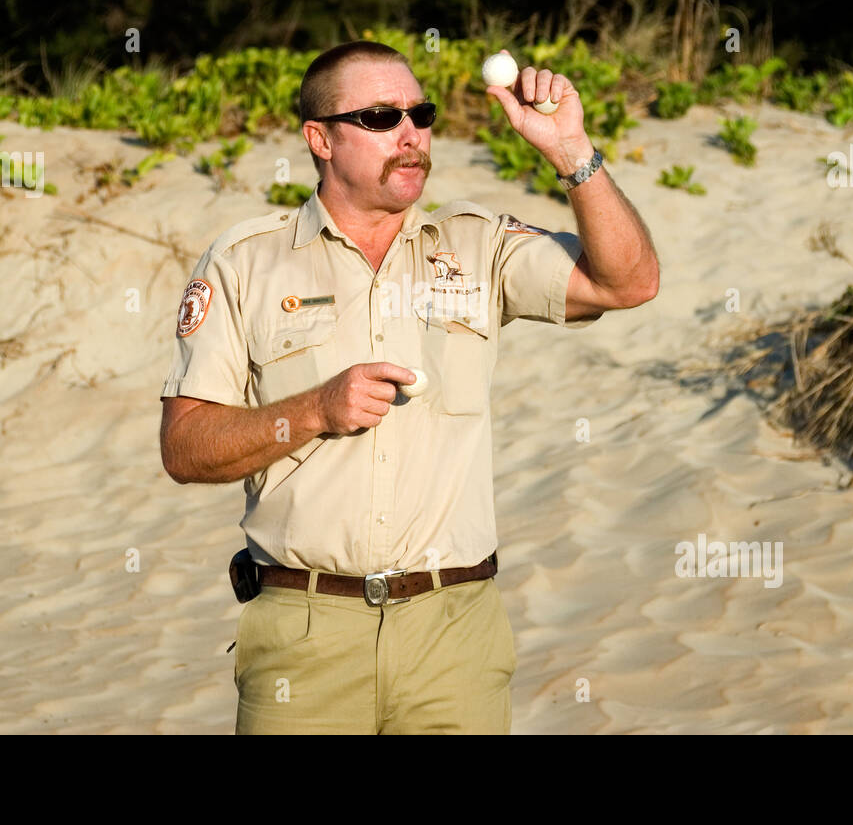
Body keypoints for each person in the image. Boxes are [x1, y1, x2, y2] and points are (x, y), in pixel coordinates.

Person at [159, 40, 658, 734]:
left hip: (455, 632)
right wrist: (312, 411)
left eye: (419, 115)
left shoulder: (477, 244)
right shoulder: (246, 262)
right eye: (380, 117)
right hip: (305, 636)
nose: (410, 135)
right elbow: (184, 448)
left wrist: (572, 150)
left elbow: (628, 283)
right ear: (319, 139)